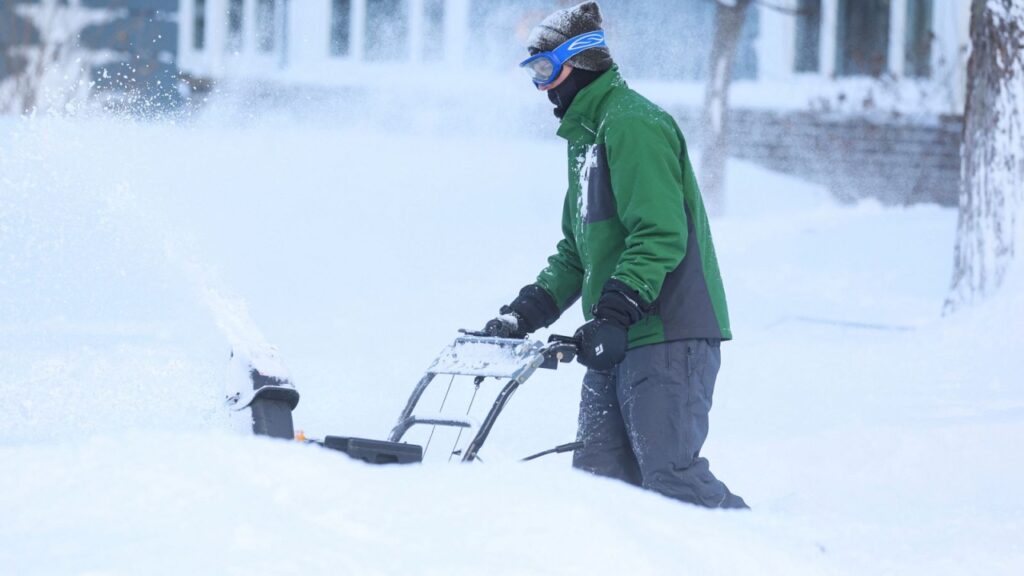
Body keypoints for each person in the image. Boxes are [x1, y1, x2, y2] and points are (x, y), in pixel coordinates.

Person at [485, 1, 747, 509]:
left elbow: (659, 234)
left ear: (577, 63)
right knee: (599, 488)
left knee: (671, 481)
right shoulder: (586, 138)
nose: (541, 87)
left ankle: (767, 553)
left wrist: (614, 313)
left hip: (666, 333)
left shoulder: (631, 124)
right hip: (619, 334)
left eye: (545, 70)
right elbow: (577, 251)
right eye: (532, 73)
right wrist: (525, 312)